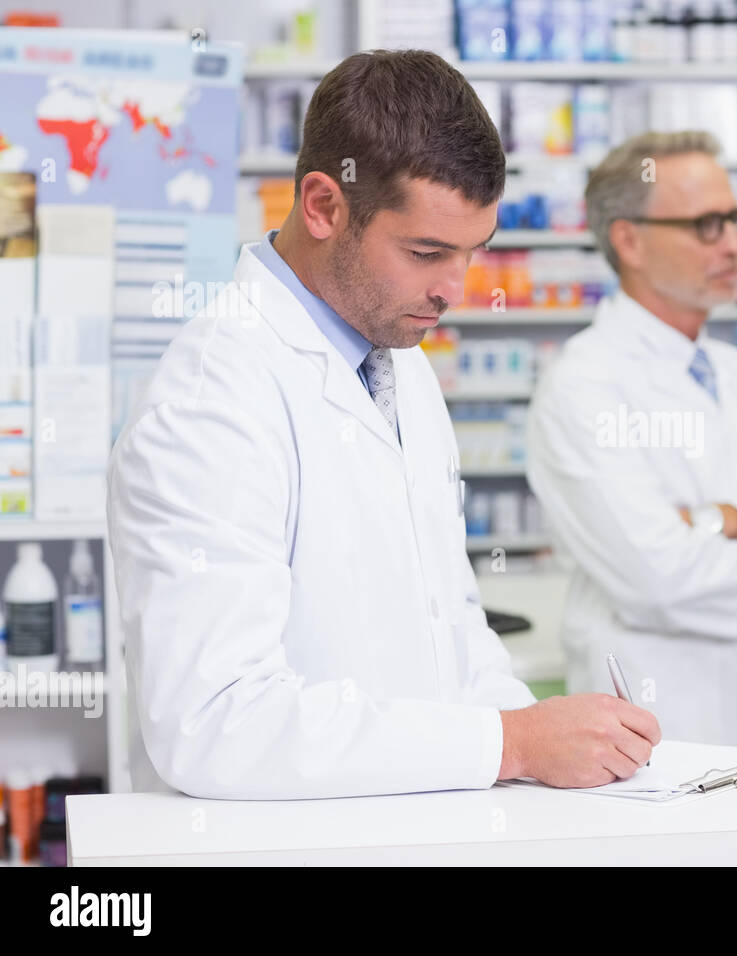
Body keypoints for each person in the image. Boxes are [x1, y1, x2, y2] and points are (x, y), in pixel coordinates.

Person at [107, 50, 660, 800]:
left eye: (473, 253)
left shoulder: (401, 363)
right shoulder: (212, 398)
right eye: (427, 252)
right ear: (324, 206)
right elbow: (214, 723)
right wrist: (512, 743)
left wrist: (544, 755)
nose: (454, 290)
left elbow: (454, 624)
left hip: (425, 828)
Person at [525, 131, 737, 765]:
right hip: (669, 738)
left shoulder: (732, 369)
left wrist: (726, 522)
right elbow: (661, 578)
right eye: (708, 225)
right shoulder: (582, 384)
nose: (734, 244)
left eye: (735, 220)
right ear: (629, 240)